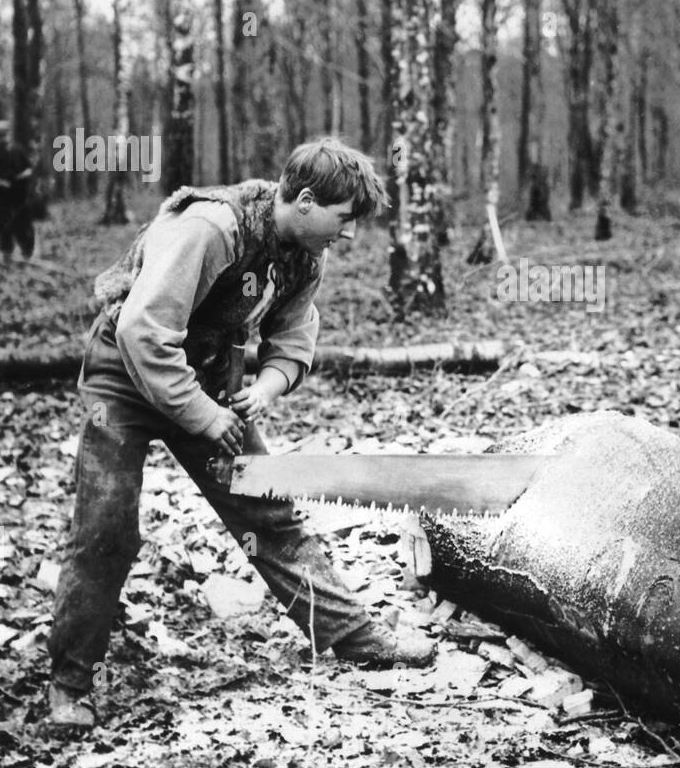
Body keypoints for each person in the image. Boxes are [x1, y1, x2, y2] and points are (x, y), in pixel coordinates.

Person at [47, 137, 435, 733]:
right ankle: (71, 683)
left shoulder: (306, 251)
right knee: (106, 530)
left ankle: (352, 635)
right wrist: (205, 416)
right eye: (344, 219)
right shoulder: (211, 227)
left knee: (268, 510)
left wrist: (267, 387)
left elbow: (293, 337)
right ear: (305, 200)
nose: (350, 234)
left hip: (206, 377)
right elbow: (143, 332)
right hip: (123, 380)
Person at [0, 120, 35, 261]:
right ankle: (7, 255)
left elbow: (28, 169)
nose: (3, 138)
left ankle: (27, 255)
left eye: (4, 134)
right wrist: (1, 183)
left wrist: (22, 176)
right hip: (1, 196)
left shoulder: (18, 149)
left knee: (23, 224)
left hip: (19, 194)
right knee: (3, 225)